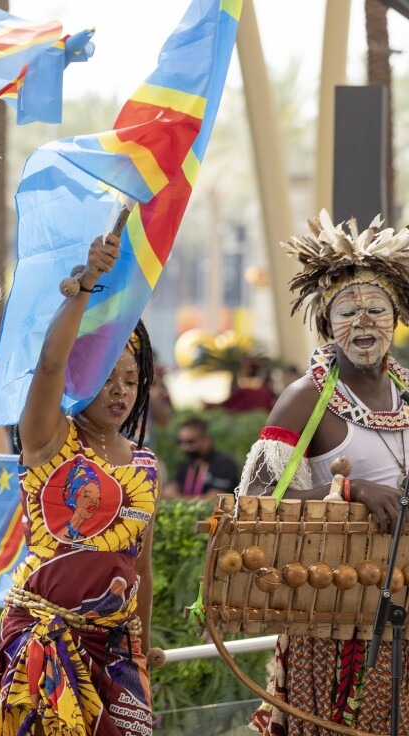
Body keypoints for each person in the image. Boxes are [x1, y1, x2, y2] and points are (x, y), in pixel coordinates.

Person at [239, 211, 409, 734]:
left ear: (396, 317)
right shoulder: (305, 398)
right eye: (348, 313)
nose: (364, 323)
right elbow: (253, 505)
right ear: (326, 325)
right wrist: (347, 489)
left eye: (376, 310)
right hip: (334, 616)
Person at [0, 233, 160, 735]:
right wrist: (87, 285)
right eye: (107, 377)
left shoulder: (147, 465)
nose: (120, 391)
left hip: (117, 647)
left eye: (131, 380)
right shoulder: (48, 438)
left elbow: (140, 569)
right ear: (79, 377)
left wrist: (143, 646)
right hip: (43, 637)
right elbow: (49, 363)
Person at [163, 416, 239, 499]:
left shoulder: (223, 464)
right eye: (180, 442)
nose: (184, 447)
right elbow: (169, 491)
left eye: (191, 442)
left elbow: (216, 498)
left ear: (206, 440)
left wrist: (179, 498)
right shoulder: (186, 464)